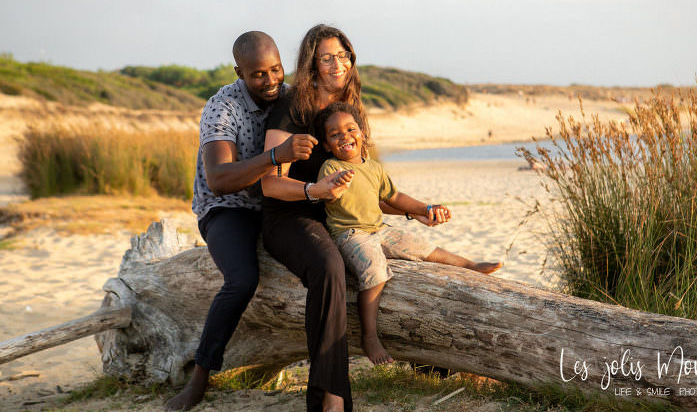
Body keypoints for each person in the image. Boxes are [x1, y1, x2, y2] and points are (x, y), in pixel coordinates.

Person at [165, 31, 319, 411]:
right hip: (227, 208)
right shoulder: (222, 107)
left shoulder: (291, 98)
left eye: (276, 69)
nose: (270, 80)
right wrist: (276, 156)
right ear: (239, 72)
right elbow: (218, 179)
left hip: (275, 204)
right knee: (242, 280)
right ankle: (200, 378)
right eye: (258, 74)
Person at [315, 102, 503, 366]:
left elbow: (394, 197)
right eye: (335, 134)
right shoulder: (331, 168)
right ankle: (369, 336)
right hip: (350, 234)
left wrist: (425, 209)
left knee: (420, 246)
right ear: (327, 145)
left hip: (379, 229)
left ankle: (470, 265)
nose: (344, 136)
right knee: (375, 270)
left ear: (362, 134)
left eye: (350, 129)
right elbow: (327, 191)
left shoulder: (374, 168)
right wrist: (336, 184)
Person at [261, 24, 368, 412]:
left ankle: (432, 367)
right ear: (312, 64)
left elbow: (365, 178)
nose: (338, 64)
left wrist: (416, 210)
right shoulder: (293, 108)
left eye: (343, 55)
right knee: (328, 266)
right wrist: (313, 191)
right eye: (327, 58)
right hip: (288, 215)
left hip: (332, 215)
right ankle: (330, 400)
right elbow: (270, 184)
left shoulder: (351, 110)